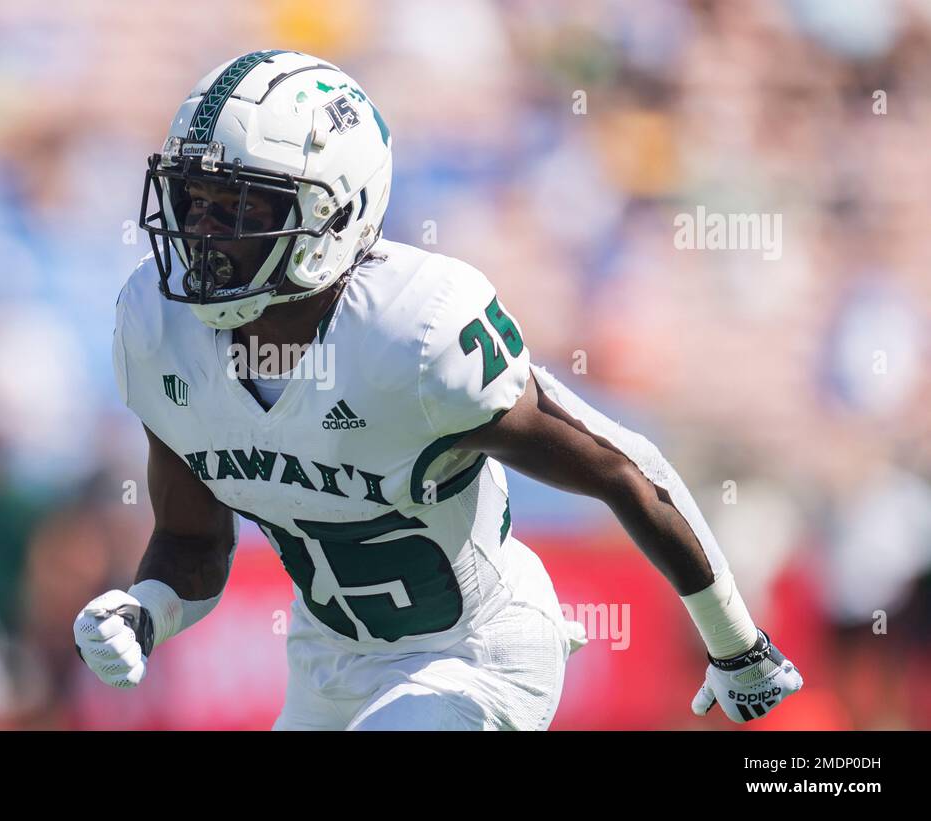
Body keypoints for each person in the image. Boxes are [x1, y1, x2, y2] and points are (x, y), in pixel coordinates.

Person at [74, 50, 803, 730]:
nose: (200, 234)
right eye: (191, 200)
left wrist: (737, 646)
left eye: (236, 209)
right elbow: (190, 541)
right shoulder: (158, 328)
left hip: (475, 653)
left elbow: (622, 467)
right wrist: (148, 609)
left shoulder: (414, 336)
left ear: (332, 215)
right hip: (328, 660)